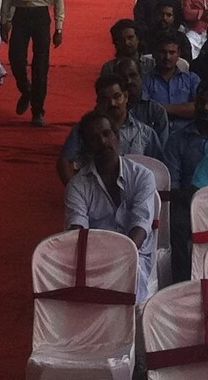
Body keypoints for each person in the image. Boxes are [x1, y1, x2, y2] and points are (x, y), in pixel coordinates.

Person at [65, 110, 160, 303]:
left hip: (135, 254)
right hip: (94, 258)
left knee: (130, 280)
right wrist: (97, 261)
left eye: (106, 134)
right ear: (87, 147)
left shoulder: (143, 176)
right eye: (94, 139)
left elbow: (140, 226)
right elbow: (77, 231)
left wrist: (121, 259)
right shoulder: (77, 185)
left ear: (117, 137)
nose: (102, 142)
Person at [162, 85, 208, 279]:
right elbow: (173, 185)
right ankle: (183, 283)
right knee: (176, 226)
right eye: (201, 102)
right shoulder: (177, 139)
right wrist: (197, 202)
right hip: (188, 201)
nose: (206, 108)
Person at [2, 0, 65, 126]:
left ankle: (38, 110)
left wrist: (59, 27)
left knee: (40, 65)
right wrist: (5, 20)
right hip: (21, 14)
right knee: (16, 59)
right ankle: (26, 90)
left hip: (40, 15)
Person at [57, 75, 161, 183]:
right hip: (94, 189)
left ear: (126, 96)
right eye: (105, 99)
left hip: (136, 190)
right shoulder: (84, 129)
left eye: (117, 97)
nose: (112, 103)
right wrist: (76, 189)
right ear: (98, 101)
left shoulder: (146, 133)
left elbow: (160, 169)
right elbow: (64, 162)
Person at [143, 31, 200, 129]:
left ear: (179, 54)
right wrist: (183, 109)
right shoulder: (145, 81)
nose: (167, 57)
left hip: (187, 134)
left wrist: (161, 109)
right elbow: (146, 111)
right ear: (154, 53)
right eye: (162, 52)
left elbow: (199, 108)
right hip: (156, 134)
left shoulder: (192, 79)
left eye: (172, 52)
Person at [109, 57, 170, 139]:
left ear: (141, 77)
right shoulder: (108, 109)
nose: (128, 81)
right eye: (123, 78)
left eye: (133, 75)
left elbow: (162, 145)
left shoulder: (156, 111)